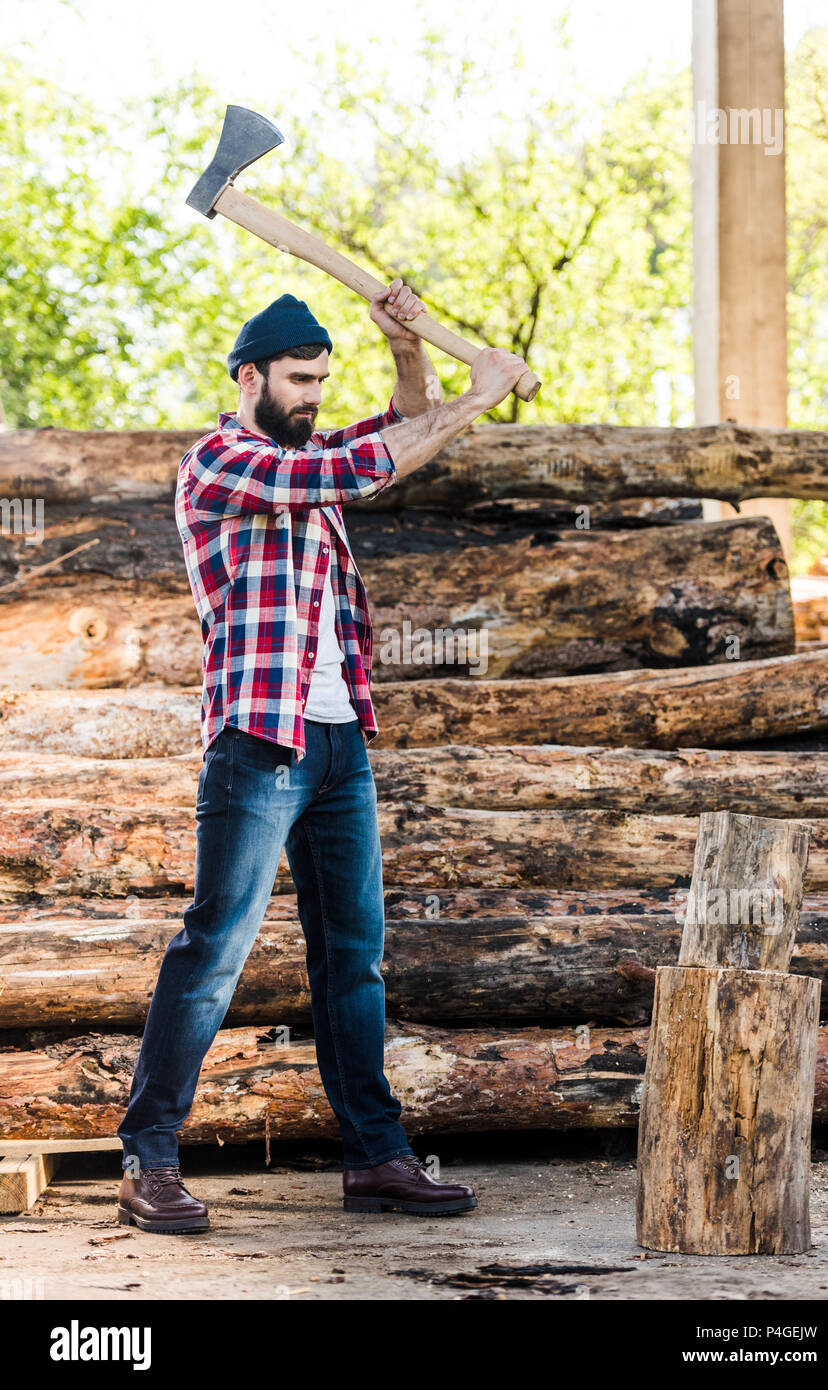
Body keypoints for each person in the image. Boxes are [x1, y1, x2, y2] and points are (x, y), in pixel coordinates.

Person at [116, 278, 530, 1232]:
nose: (311, 396)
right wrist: (481, 396)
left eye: (321, 380)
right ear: (249, 374)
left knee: (354, 961)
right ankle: (149, 1156)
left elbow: (395, 434)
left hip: (339, 743)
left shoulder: (313, 449)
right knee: (214, 949)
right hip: (259, 743)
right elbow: (363, 469)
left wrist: (408, 350)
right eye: (299, 380)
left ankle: (377, 1158)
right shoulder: (221, 460)